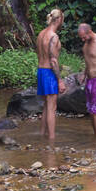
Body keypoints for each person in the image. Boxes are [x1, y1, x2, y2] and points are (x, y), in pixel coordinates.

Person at [35, 9, 64, 140]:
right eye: (62, 19)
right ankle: (51, 140)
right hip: (48, 73)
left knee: (46, 106)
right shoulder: (53, 36)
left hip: (40, 71)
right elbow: (53, 60)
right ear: (58, 20)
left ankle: (42, 134)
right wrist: (59, 80)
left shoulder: (41, 34)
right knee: (52, 107)